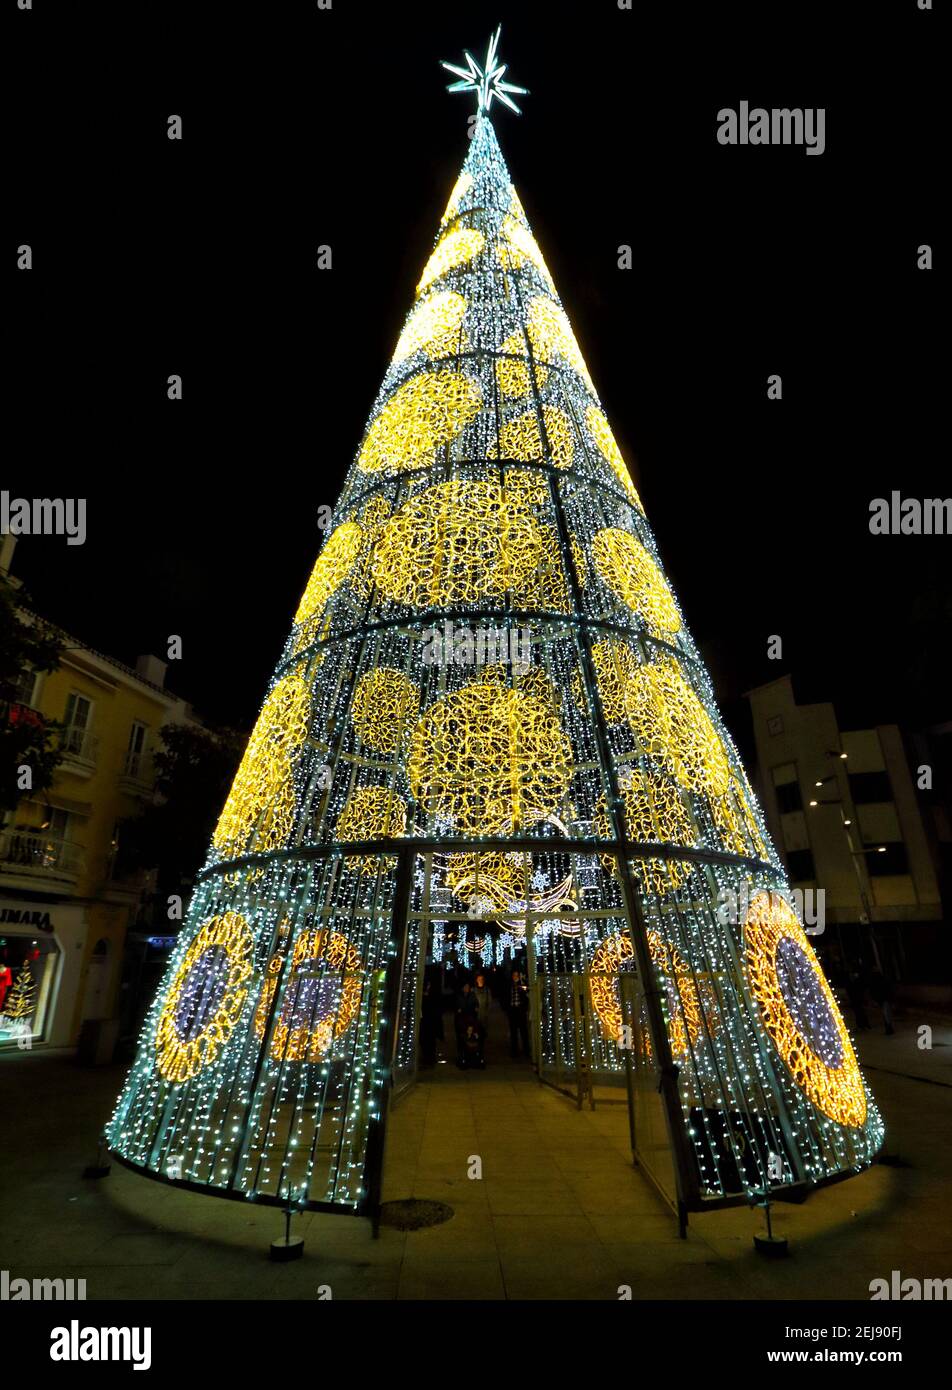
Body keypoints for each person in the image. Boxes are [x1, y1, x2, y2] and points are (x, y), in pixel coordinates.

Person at [419, 969, 443, 1066]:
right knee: (427, 1041)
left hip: (428, 1021)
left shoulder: (430, 996)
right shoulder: (430, 995)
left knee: (428, 1042)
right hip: (428, 1021)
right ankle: (428, 1059)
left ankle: (429, 1059)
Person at [507, 968, 530, 1059]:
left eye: (517, 975)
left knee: (523, 1031)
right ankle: (514, 1051)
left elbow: (527, 993)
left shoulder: (522, 984)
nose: (515, 977)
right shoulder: (509, 985)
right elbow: (505, 996)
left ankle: (526, 1050)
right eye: (514, 975)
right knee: (513, 1032)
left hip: (520, 1010)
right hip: (512, 1009)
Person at [455, 980, 479, 1067]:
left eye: (468, 987)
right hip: (461, 1020)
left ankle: (470, 1056)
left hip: (470, 1019)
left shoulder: (472, 995)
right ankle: (461, 1056)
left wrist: (475, 1008)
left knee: (471, 1036)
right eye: (465, 987)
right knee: (461, 1038)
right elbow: (456, 1006)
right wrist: (458, 1010)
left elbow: (476, 1004)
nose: (466, 989)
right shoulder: (459, 996)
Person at [868, 969, 896, 1036]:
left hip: (884, 999)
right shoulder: (880, 981)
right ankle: (889, 1027)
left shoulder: (876, 982)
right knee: (886, 1014)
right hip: (884, 999)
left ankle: (889, 1027)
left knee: (886, 1014)